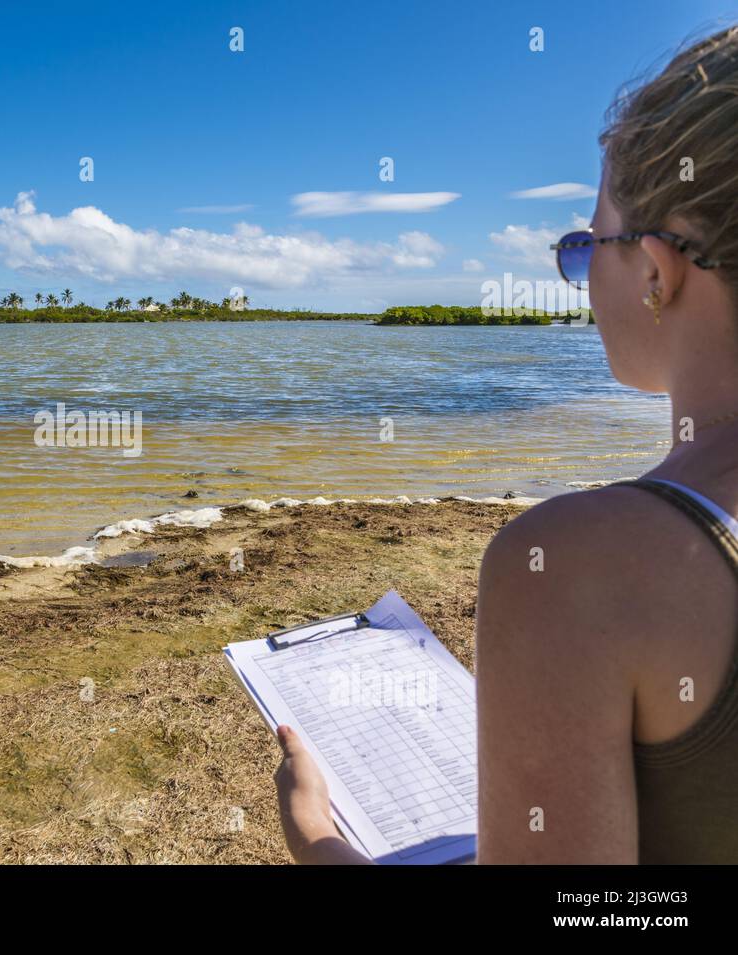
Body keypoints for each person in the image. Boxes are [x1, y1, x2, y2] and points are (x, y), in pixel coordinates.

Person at [276, 25, 738, 864]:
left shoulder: (576, 565)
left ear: (657, 271)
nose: (580, 276)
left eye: (584, 245)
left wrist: (314, 838)